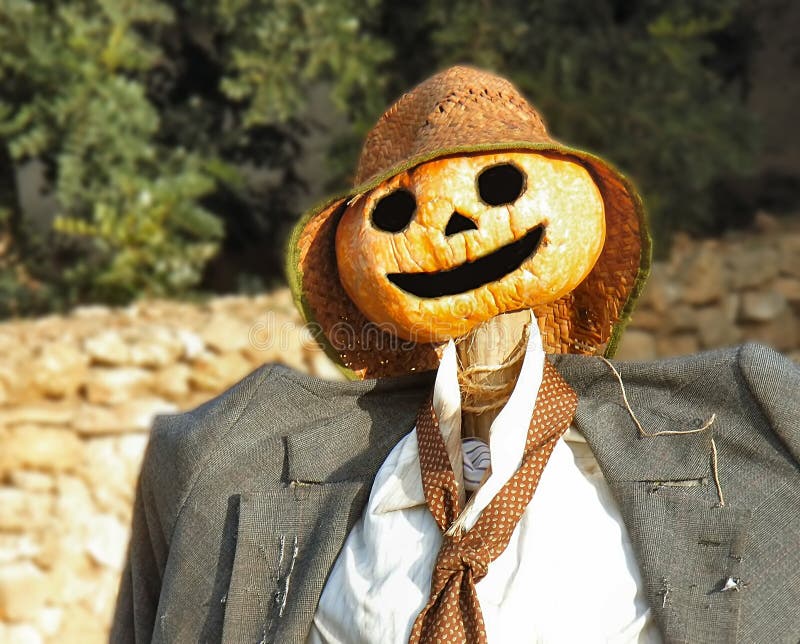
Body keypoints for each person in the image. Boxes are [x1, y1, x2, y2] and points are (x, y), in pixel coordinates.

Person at [112, 67, 800, 644]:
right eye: (396, 213)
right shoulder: (226, 459)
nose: (456, 222)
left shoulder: (749, 430)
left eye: (498, 186)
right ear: (354, 248)